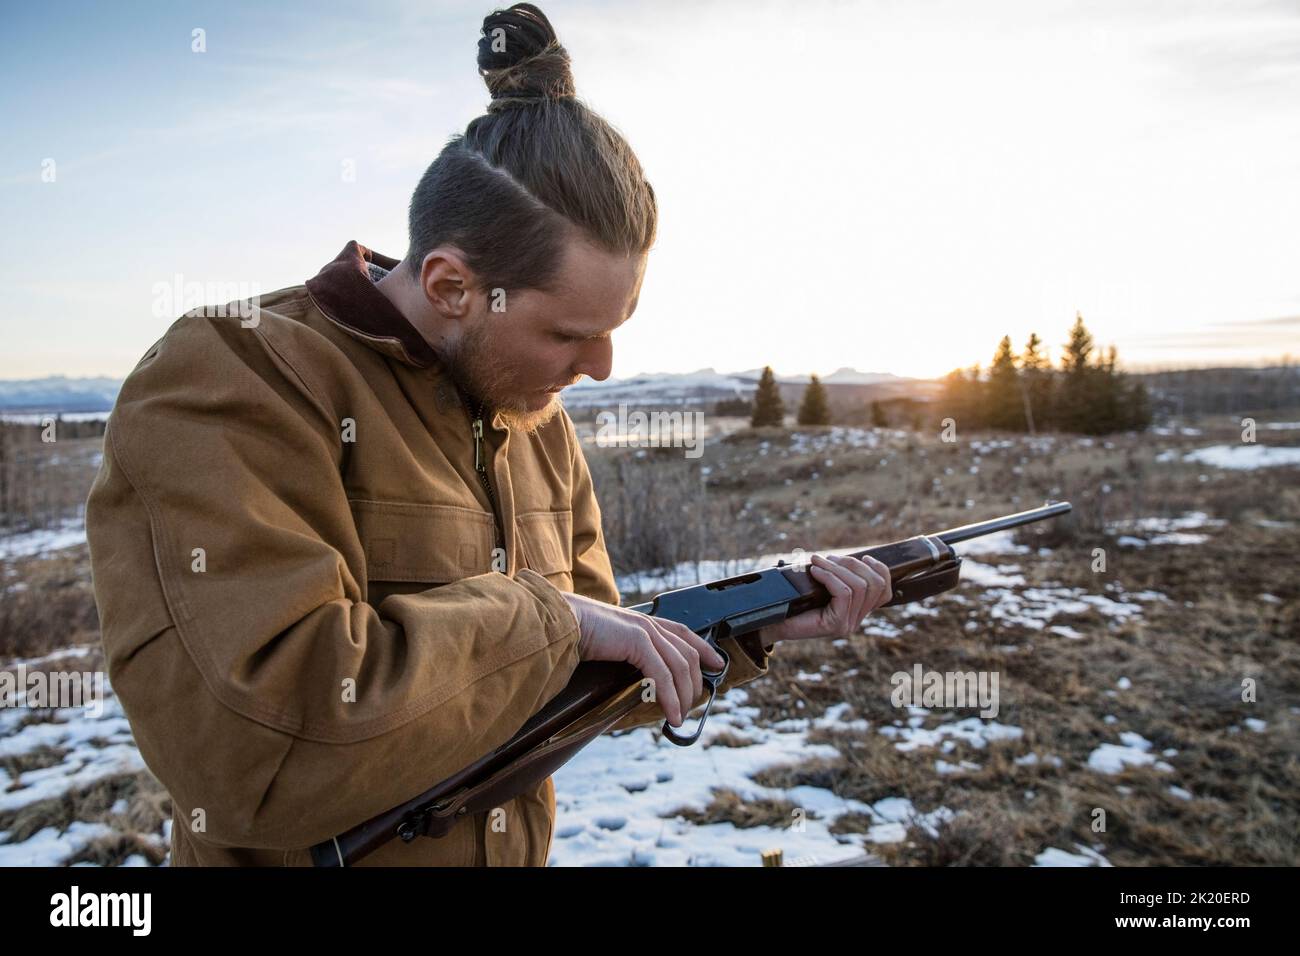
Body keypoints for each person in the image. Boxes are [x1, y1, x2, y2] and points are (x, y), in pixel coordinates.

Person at [85, 2, 890, 867]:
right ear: (452, 286)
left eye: (616, 325)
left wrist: (756, 621)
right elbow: (256, 747)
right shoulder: (236, 376)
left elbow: (590, 663)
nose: (604, 365)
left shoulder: (533, 419)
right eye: (568, 333)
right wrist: (548, 625)